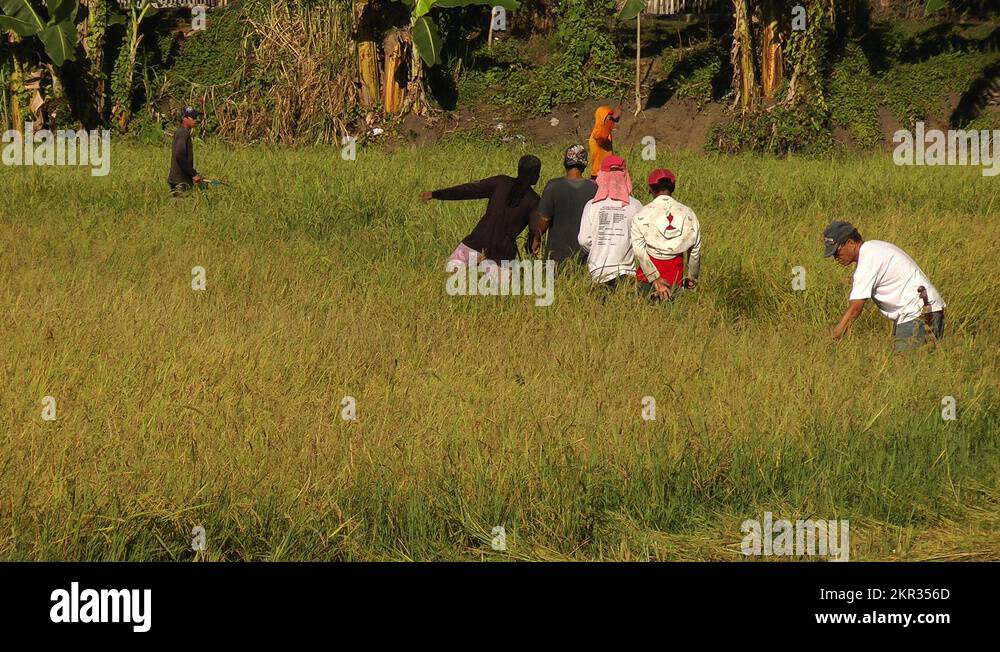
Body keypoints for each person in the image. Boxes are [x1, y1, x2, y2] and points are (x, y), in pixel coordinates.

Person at [823, 221, 945, 351]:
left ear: (850, 243)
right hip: (925, 310)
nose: (836, 257)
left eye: (837, 251)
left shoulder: (868, 260)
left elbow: (855, 308)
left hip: (917, 312)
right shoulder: (874, 248)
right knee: (918, 365)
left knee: (903, 364)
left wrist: (833, 338)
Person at [421, 155, 542, 274]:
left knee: (446, 277)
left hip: (477, 242)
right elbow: (534, 229)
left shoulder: (500, 182)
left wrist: (435, 194)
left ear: (518, 170)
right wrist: (534, 243)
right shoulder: (534, 200)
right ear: (535, 176)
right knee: (498, 292)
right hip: (503, 253)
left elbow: (468, 190)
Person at [630, 169, 702, 301]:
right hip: (676, 278)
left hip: (647, 280)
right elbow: (695, 252)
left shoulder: (641, 214)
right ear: (673, 188)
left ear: (651, 189)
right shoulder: (688, 213)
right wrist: (692, 277)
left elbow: (639, 251)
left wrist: (655, 279)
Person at [577, 155, 642, 288]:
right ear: (625, 175)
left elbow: (583, 240)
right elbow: (641, 240)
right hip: (627, 272)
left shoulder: (591, 205)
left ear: (601, 176)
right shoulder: (636, 205)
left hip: (598, 272)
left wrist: (596, 248)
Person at [529, 145, 597, 265]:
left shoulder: (553, 186)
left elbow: (544, 219)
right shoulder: (594, 188)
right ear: (585, 165)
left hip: (556, 255)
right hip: (585, 256)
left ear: (565, 163)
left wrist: (536, 238)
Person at [168, 106, 205, 197]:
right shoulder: (183, 133)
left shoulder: (183, 132)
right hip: (180, 180)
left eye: (196, 117)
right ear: (185, 119)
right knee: (181, 207)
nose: (196, 120)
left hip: (180, 178)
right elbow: (179, 155)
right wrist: (193, 174)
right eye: (193, 118)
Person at [587, 105, 619, 180]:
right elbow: (602, 137)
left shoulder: (607, 133)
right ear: (601, 118)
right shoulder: (597, 132)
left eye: (611, 117)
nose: (610, 120)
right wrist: (613, 119)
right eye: (608, 117)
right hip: (598, 175)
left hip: (608, 173)